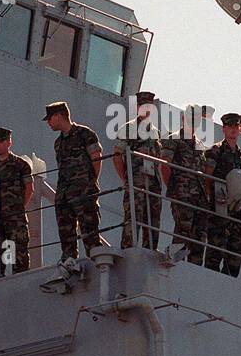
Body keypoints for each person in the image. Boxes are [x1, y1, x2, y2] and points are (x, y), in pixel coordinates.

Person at [46, 102, 106, 259]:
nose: (48, 123)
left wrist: (90, 183)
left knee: (90, 233)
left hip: (84, 193)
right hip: (64, 196)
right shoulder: (58, 143)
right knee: (66, 236)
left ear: (59, 116)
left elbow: (96, 158)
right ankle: (69, 262)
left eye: (50, 118)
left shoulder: (85, 134)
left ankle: (95, 263)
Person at [112, 91, 164, 250]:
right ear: (137, 107)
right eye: (143, 106)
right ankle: (129, 251)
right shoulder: (128, 128)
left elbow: (159, 161)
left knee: (153, 221)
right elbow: (117, 156)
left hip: (153, 184)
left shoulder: (155, 132)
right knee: (133, 219)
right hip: (136, 183)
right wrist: (126, 179)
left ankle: (151, 251)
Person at [161, 105, 210, 265]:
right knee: (183, 229)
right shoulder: (174, 139)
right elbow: (164, 165)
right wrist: (174, 188)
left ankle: (194, 269)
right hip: (182, 194)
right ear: (183, 119)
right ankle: (176, 262)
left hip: (199, 198)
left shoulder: (200, 145)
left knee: (199, 236)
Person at [203, 112, 241, 277]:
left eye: (236, 126)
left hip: (236, 209)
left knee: (235, 254)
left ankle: (229, 285)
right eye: (230, 127)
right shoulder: (215, 151)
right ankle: (210, 282)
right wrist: (210, 200)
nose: (234, 130)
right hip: (219, 207)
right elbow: (207, 177)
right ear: (224, 129)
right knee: (215, 251)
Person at [0, 127, 34, 277]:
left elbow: (29, 189)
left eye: (1, 141)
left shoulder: (20, 165)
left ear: (9, 142)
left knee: (18, 257)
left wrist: (17, 208)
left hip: (15, 219)